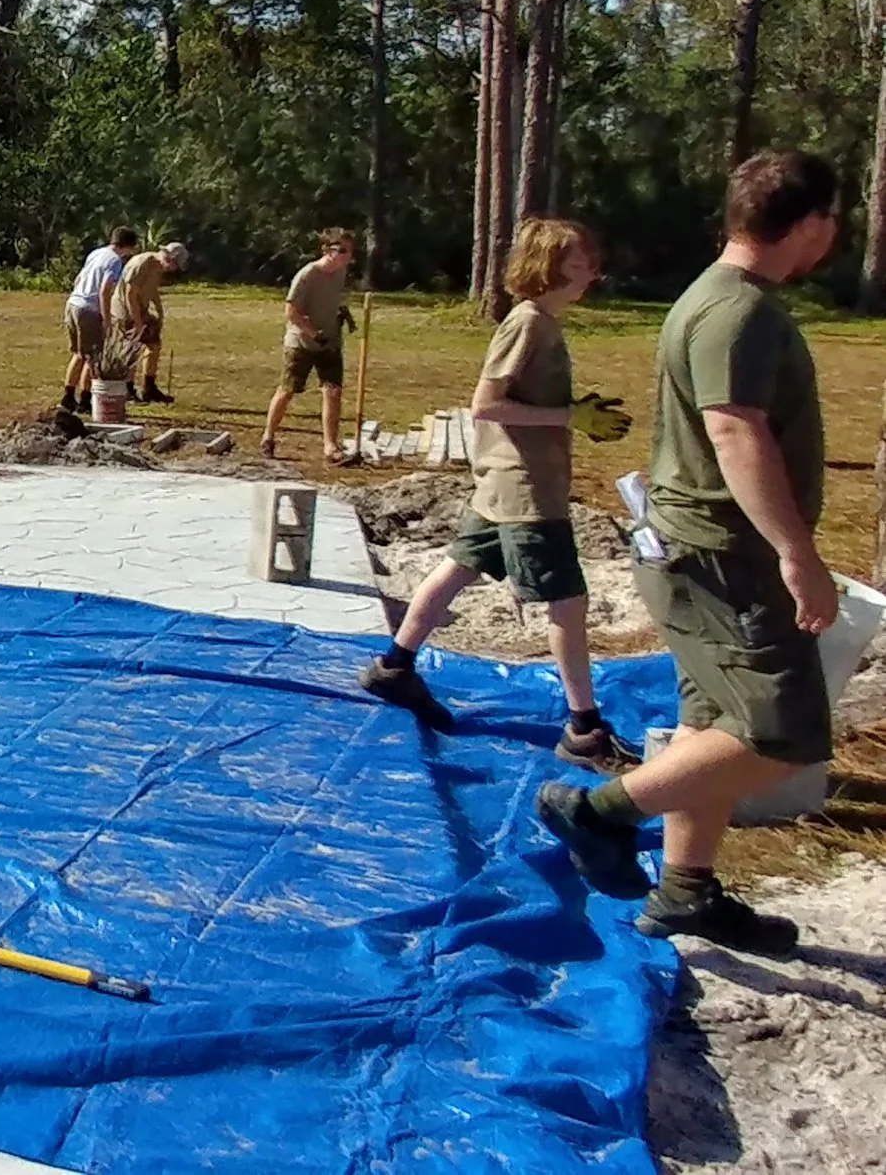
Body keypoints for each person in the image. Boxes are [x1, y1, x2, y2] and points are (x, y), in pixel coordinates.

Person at [536, 149, 839, 958]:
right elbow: (733, 428)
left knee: (713, 726)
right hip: (722, 558)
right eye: (830, 221)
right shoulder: (738, 311)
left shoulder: (723, 298)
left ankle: (686, 892)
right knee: (781, 735)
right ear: (808, 224)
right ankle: (596, 812)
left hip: (698, 550)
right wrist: (797, 553)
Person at [357, 218, 638, 768]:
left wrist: (574, 411)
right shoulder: (527, 323)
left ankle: (394, 668)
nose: (593, 270)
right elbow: (485, 404)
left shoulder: (545, 323)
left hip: (506, 485)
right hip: (524, 489)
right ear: (552, 266)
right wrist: (568, 416)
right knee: (568, 601)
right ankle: (584, 731)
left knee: (458, 566)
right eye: (583, 261)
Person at [261, 229, 357, 464]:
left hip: (331, 340)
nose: (347, 256)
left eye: (350, 251)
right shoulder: (307, 275)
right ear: (326, 250)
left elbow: (330, 299)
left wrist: (341, 314)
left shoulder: (341, 272)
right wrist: (314, 333)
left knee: (333, 391)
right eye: (341, 250)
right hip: (301, 342)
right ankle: (268, 436)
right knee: (287, 390)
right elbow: (291, 312)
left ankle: (330, 447)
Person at [61, 227, 140, 414]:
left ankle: (68, 396)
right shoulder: (114, 261)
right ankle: (85, 399)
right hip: (89, 309)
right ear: (128, 246)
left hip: (73, 303)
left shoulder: (96, 253)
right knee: (93, 357)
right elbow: (105, 290)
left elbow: (79, 278)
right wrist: (106, 319)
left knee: (79, 354)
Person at [105, 241, 191, 404]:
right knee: (132, 349)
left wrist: (159, 311)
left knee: (154, 345)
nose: (173, 270)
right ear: (168, 258)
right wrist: (137, 322)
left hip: (141, 310)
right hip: (125, 312)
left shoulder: (158, 268)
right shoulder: (141, 264)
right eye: (174, 265)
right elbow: (130, 294)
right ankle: (127, 388)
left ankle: (149, 388)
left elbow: (152, 290)